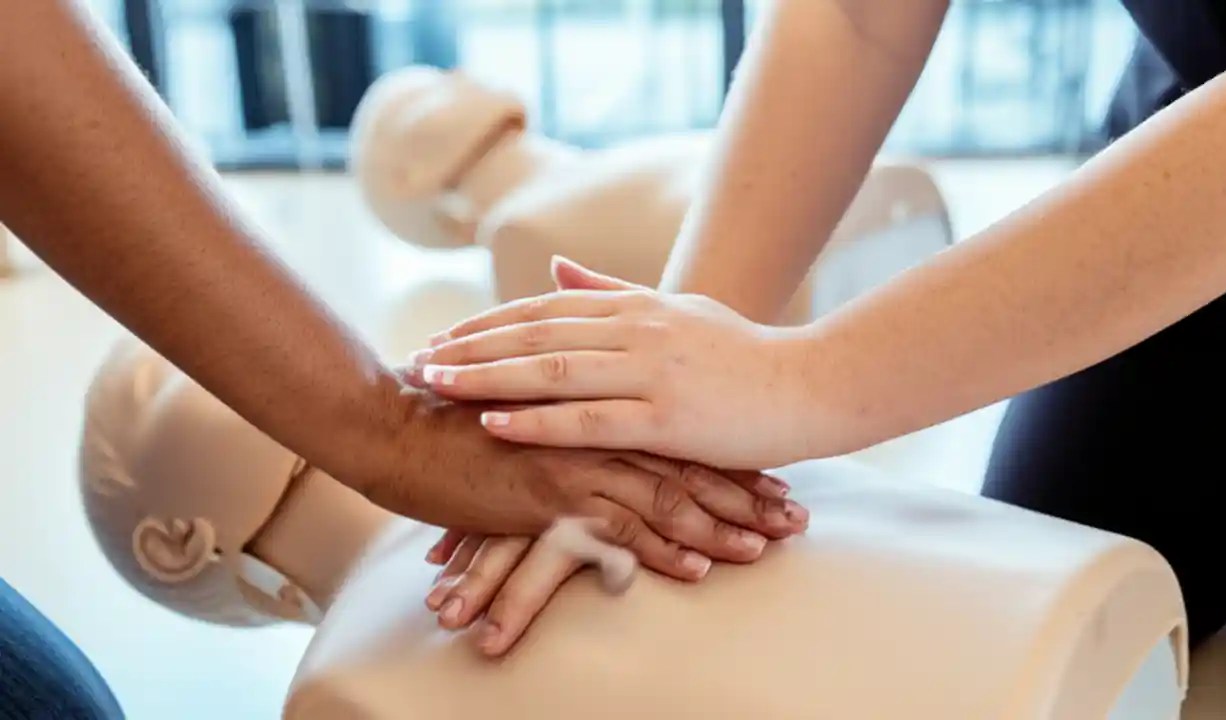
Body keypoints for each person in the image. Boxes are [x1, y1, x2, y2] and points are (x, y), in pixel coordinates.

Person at [0, 1, 807, 716]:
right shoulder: (349, 685)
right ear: (173, 545)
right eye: (183, 362)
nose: (243, 353)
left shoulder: (350, 683)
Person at [413, 0, 1226, 651]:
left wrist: (808, 382)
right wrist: (664, 409)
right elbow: (856, 16)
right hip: (1211, 111)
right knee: (1052, 615)